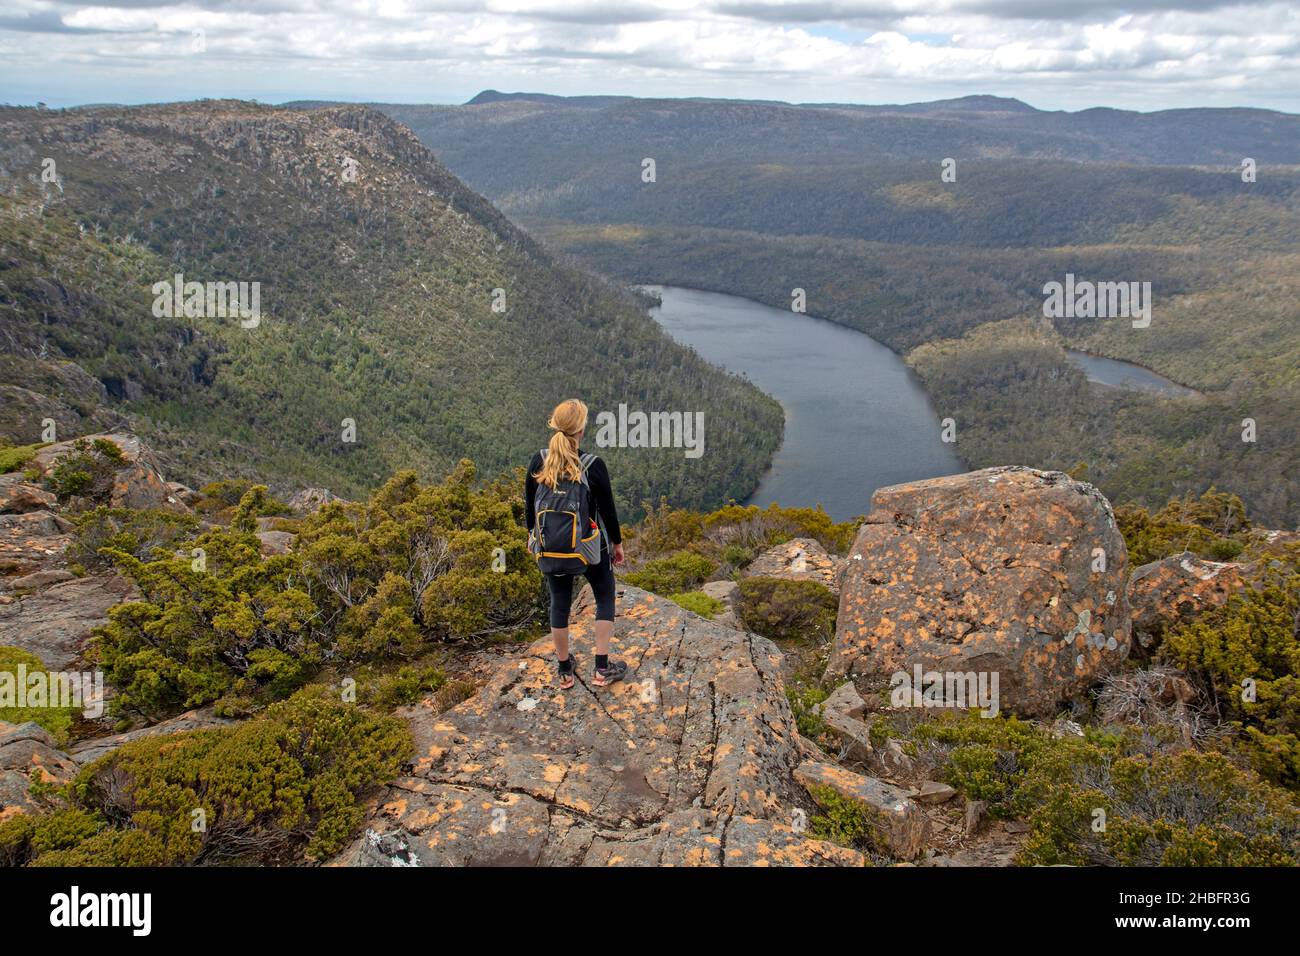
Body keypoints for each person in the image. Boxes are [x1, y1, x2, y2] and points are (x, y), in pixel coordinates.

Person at [525, 399, 627, 690]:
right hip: (589, 548)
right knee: (605, 596)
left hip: (550, 548)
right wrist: (617, 545)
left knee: (559, 603)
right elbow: (608, 512)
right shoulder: (593, 466)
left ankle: (564, 671)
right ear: (581, 429)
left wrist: (534, 539)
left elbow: (528, 507)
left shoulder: (539, 460)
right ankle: (602, 668)